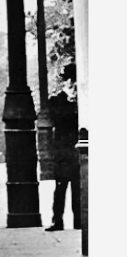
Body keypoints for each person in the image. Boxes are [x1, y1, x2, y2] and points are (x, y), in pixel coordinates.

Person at [45, 92, 81, 232]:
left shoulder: (58, 119)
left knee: (60, 191)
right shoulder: (74, 115)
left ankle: (58, 221)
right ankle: (78, 221)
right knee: (76, 191)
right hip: (73, 155)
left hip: (62, 158)